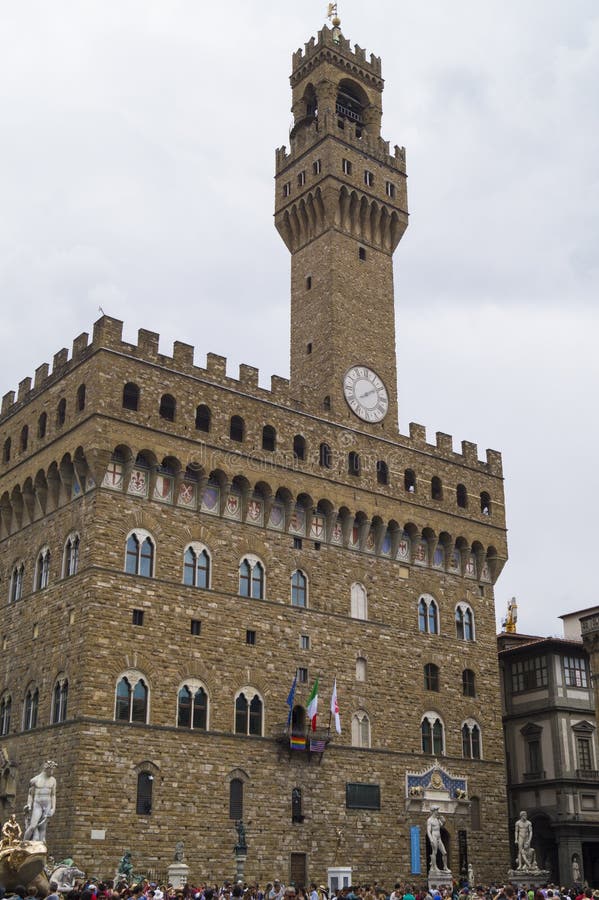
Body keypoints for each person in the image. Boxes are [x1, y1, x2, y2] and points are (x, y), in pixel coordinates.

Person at [23, 760, 57, 843]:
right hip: (37, 804)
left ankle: (41, 847)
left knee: (43, 827)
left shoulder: (53, 780)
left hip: (47, 804)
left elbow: (53, 795)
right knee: (32, 826)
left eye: (53, 770)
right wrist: (29, 805)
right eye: (51, 770)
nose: (52, 772)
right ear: (46, 769)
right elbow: (30, 794)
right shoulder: (35, 780)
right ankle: (23, 844)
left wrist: (53, 808)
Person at [427, 807, 449, 872]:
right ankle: (434, 867)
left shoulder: (437, 819)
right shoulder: (429, 820)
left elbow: (441, 826)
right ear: (433, 811)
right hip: (434, 836)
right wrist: (431, 839)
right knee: (435, 852)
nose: (438, 812)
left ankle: (445, 867)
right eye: (437, 810)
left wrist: (444, 821)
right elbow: (428, 830)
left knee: (444, 853)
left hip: (439, 837)